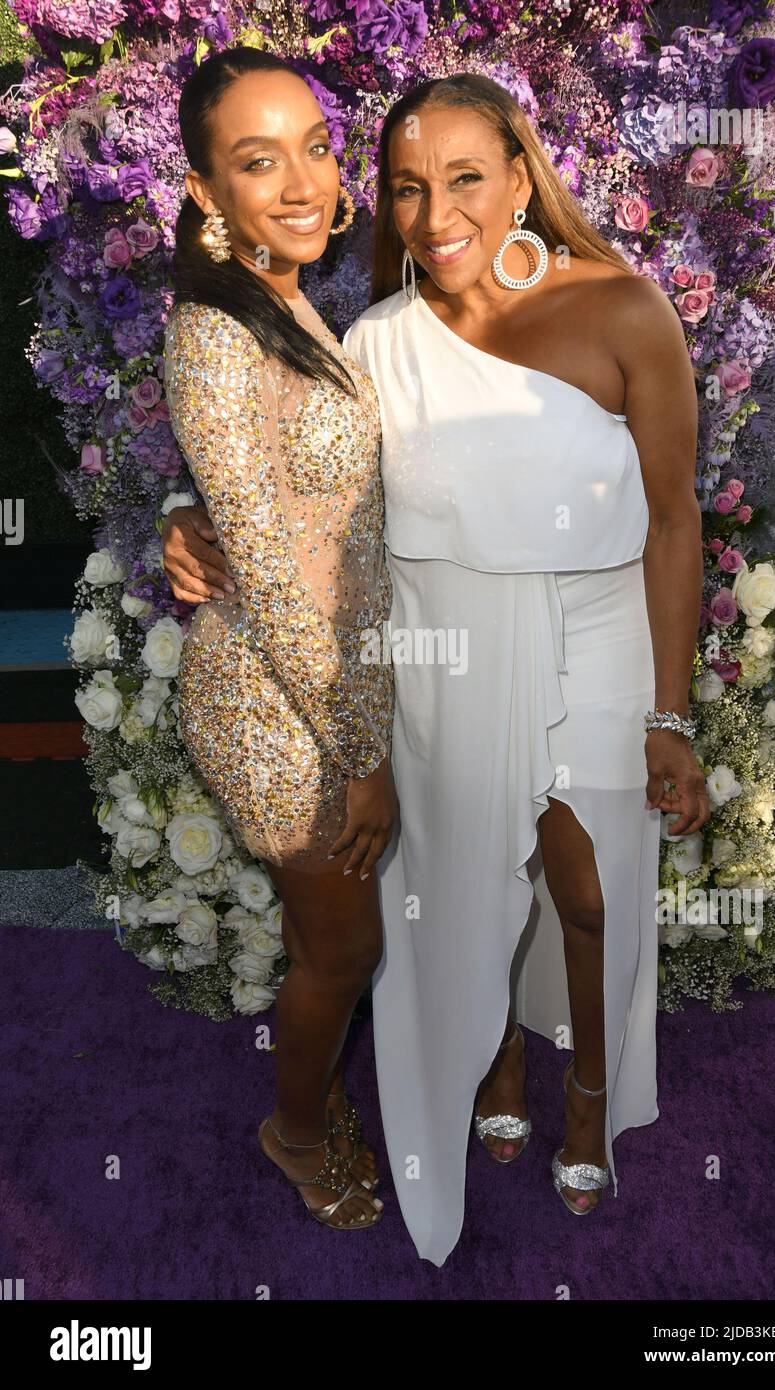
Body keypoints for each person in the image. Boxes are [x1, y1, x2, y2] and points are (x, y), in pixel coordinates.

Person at [164, 71, 710, 1266]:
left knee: (589, 887)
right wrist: (192, 523)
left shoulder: (626, 309)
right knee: (457, 888)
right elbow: (302, 489)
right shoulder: (374, 336)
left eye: (466, 176)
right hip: (437, 650)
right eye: (408, 186)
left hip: (597, 630)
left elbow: (675, 518)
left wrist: (670, 710)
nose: (434, 211)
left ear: (522, 174)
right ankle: (494, 1058)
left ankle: (585, 1093)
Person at [163, 47, 395, 1230]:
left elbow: (284, 501)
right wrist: (359, 752)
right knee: (338, 952)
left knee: (336, 939)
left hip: (324, 689)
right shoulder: (213, 331)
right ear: (207, 190)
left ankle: (315, 1105)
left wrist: (182, 516)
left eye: (313, 143)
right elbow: (267, 564)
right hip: (280, 711)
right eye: (259, 160)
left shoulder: (283, 300)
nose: (303, 180)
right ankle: (295, 1130)